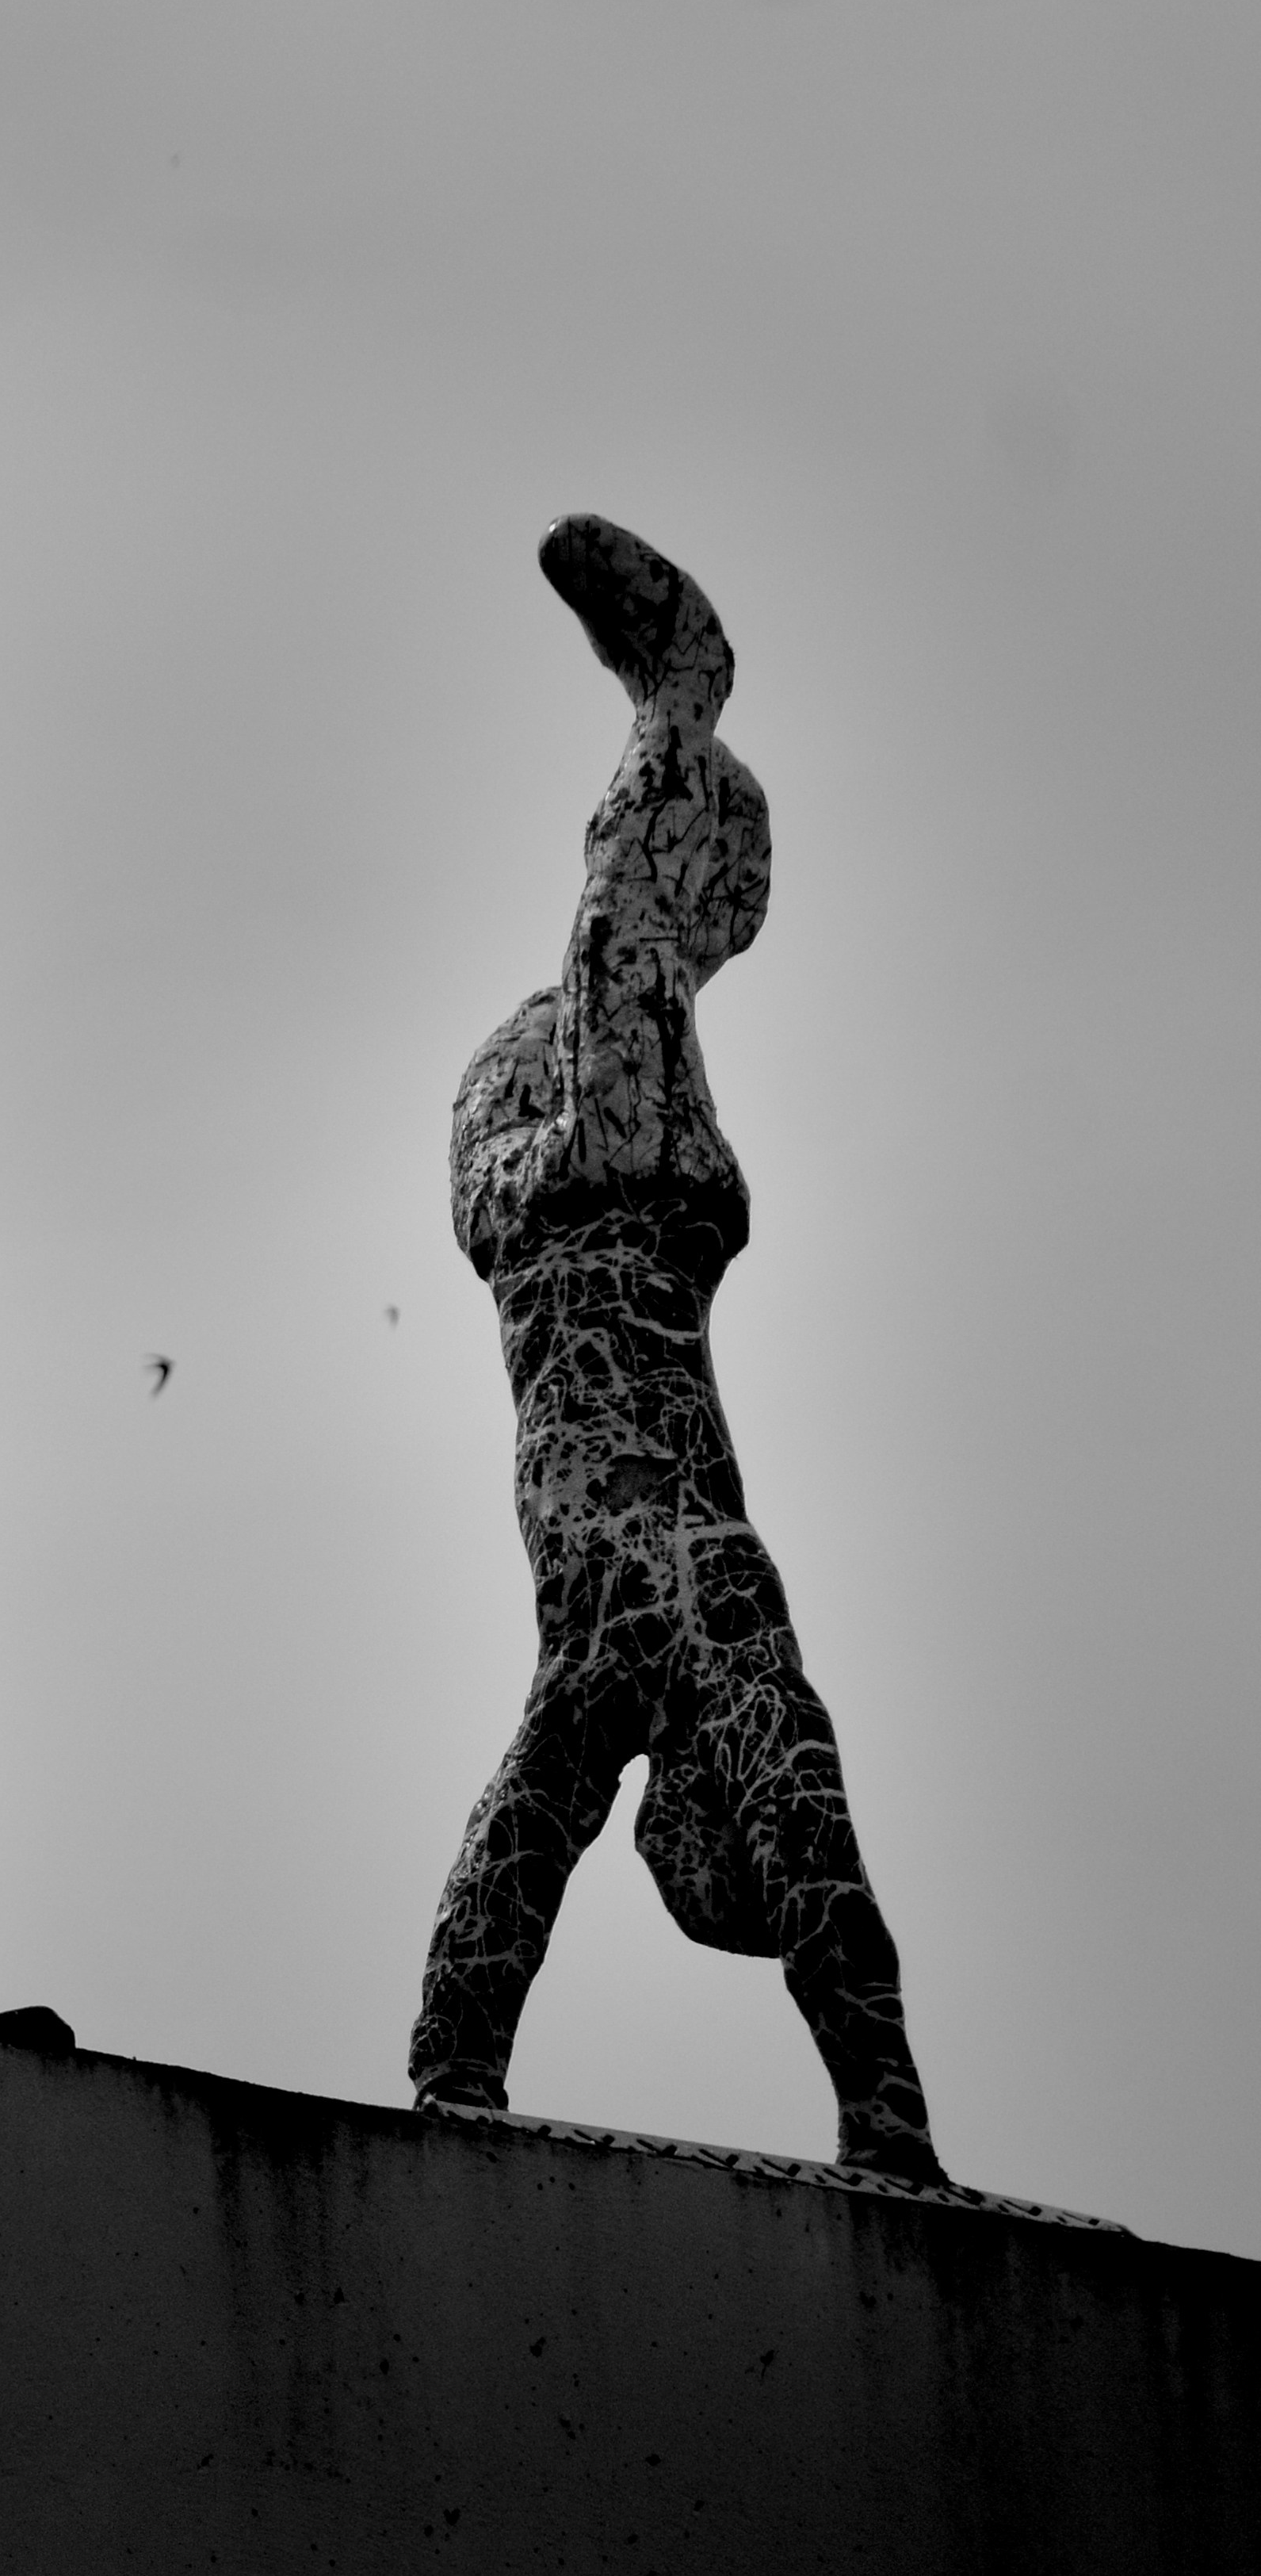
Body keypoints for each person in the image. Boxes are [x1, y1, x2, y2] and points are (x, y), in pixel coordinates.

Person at [411, 515, 942, 2187]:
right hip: (610, 1358)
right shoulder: (673, 1622)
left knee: (557, 1768)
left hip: (589, 1344)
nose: (729, 919)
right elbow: (801, 1819)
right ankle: (675, 689)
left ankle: (457, 2079)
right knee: (717, 1725)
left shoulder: (610, 1658)